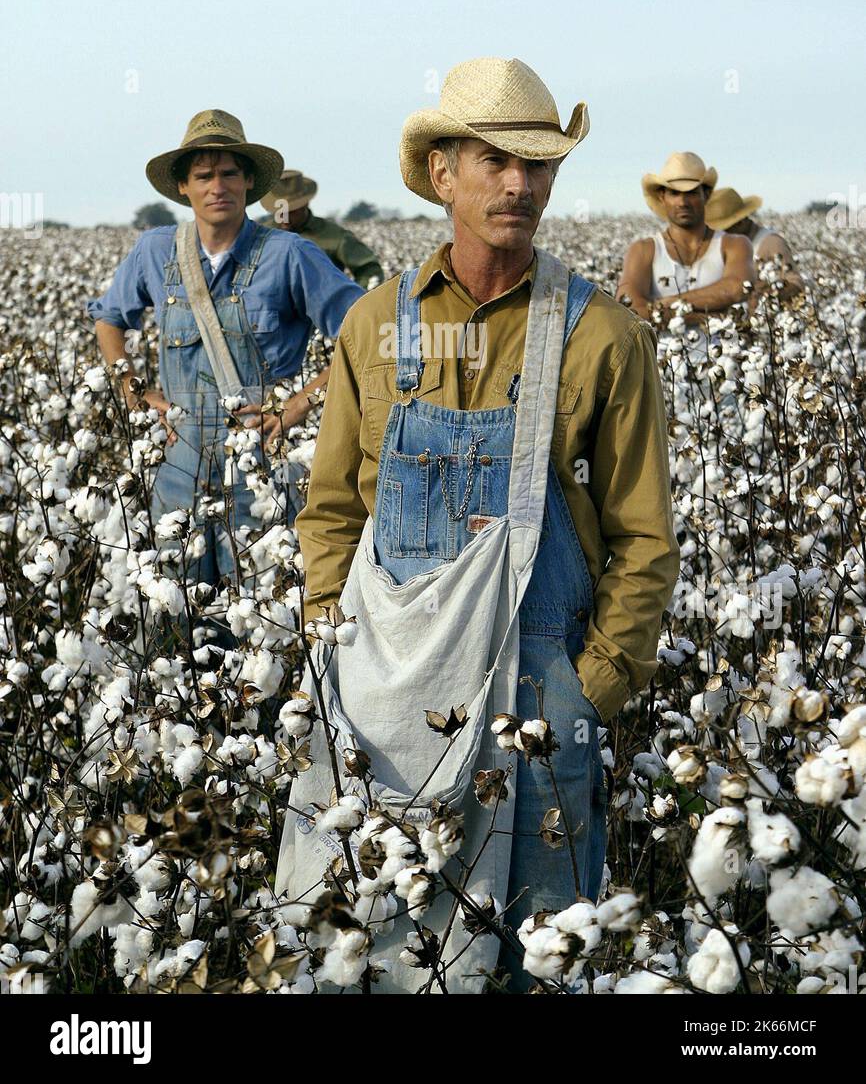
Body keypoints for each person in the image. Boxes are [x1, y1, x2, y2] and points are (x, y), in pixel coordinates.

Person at [275, 58, 679, 992]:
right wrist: (333, 642)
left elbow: (645, 536)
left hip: (541, 688)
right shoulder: (374, 326)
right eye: (494, 159)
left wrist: (594, 684)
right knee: (378, 941)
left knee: (539, 953)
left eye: (537, 165)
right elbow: (332, 506)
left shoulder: (604, 334)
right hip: (385, 684)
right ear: (443, 173)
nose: (518, 184)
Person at [86, 109, 363, 591]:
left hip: (261, 473)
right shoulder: (155, 251)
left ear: (249, 181)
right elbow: (109, 318)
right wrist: (134, 390)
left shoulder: (289, 255)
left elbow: (365, 334)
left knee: (265, 618)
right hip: (176, 471)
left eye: (229, 173)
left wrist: (301, 404)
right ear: (183, 187)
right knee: (174, 613)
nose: (218, 186)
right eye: (203, 175)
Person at [617, 151, 755, 327]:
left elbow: (738, 287)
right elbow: (629, 311)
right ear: (662, 197)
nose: (683, 202)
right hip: (660, 355)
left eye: (691, 193)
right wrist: (702, 317)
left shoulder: (734, 245)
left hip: (728, 354)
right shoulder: (644, 250)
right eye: (674, 193)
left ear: (706, 194)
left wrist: (666, 305)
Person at [260, 168, 384, 288]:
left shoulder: (335, 236)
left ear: (304, 204)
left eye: (291, 212)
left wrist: (353, 302)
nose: (284, 218)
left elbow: (370, 271)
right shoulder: (260, 235)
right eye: (279, 212)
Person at [706, 186, 805, 300]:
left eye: (725, 229)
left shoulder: (769, 243)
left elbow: (796, 285)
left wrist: (770, 293)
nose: (720, 235)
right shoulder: (724, 245)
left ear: (740, 222)